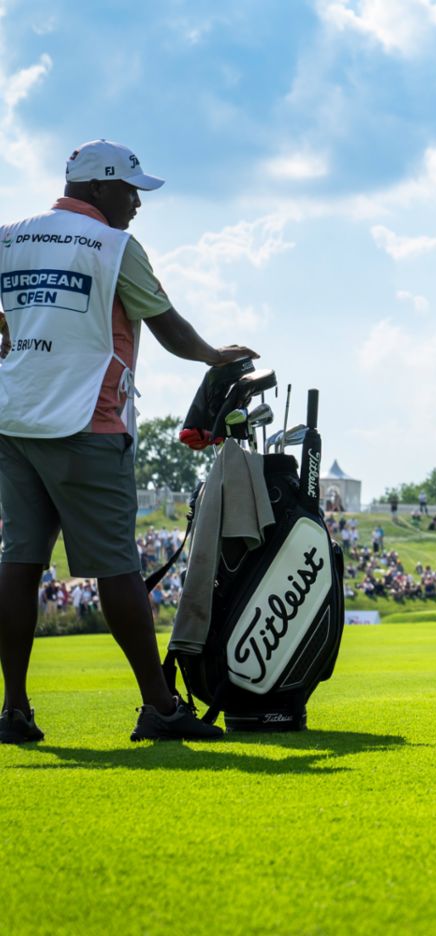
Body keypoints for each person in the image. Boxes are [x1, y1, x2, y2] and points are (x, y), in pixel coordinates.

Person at [0, 140, 256, 743]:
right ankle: (160, 707)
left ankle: (14, 710)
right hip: (85, 420)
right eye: (130, 190)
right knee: (117, 567)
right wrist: (215, 356)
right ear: (98, 187)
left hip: (13, 419)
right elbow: (169, 328)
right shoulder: (114, 245)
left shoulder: (9, 236)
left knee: (19, 561)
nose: (137, 203)